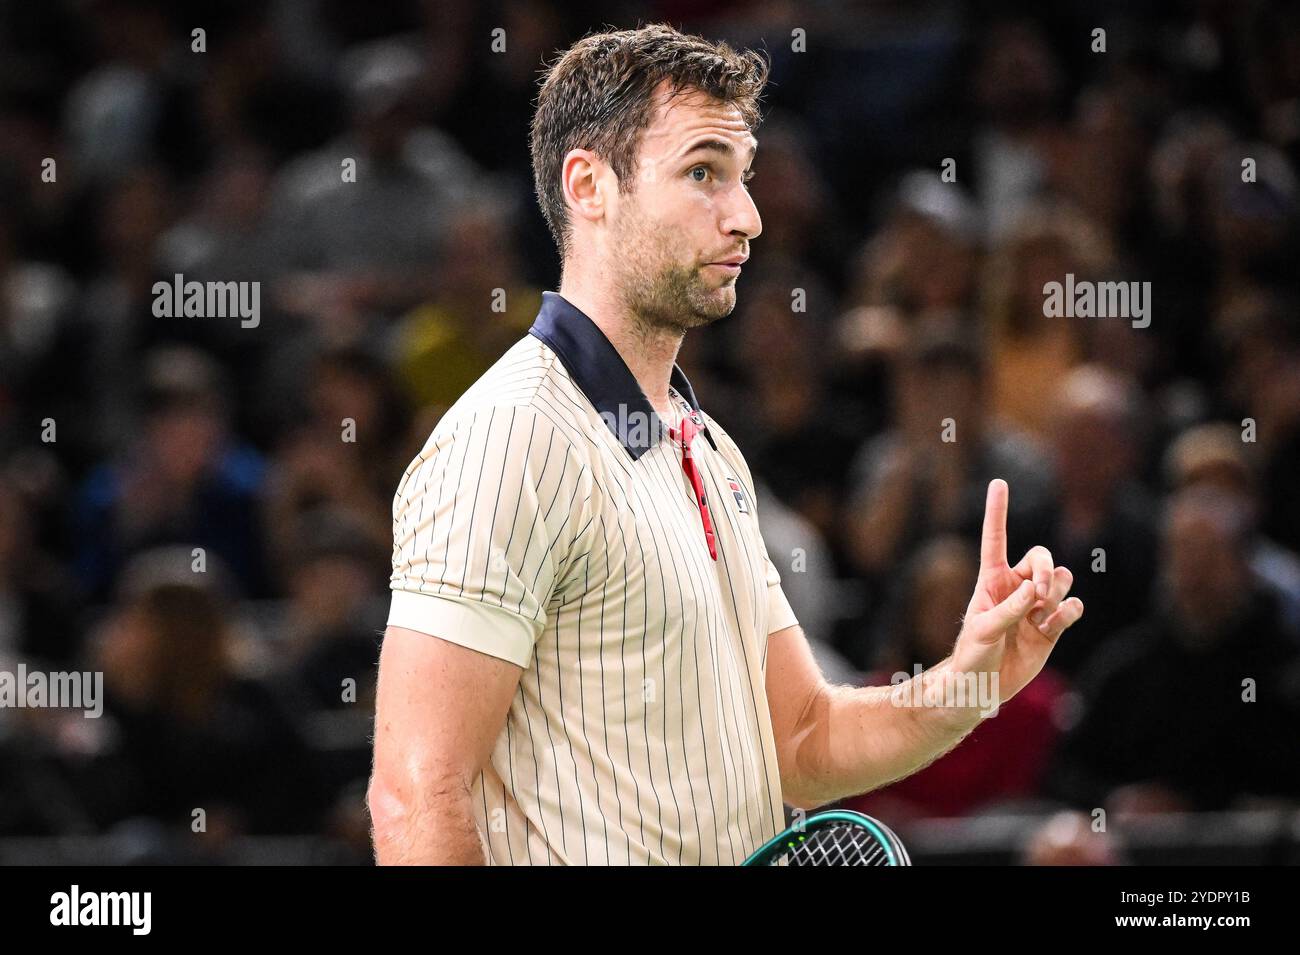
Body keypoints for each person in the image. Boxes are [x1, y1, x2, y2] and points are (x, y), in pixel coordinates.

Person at [368, 23, 1083, 866]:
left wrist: (971, 683)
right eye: (703, 172)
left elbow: (805, 740)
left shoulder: (706, 447)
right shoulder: (506, 441)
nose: (745, 214)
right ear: (590, 185)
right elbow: (418, 796)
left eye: (743, 177)